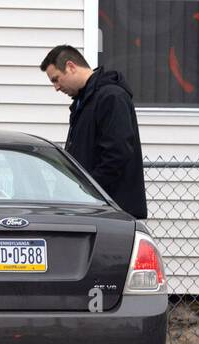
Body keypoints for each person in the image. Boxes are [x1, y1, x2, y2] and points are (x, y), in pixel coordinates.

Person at [39, 44, 148, 220]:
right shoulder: (85, 101)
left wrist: (85, 189)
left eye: (56, 79)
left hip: (112, 211)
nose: (56, 87)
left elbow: (117, 154)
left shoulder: (111, 97)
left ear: (71, 66)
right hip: (92, 207)